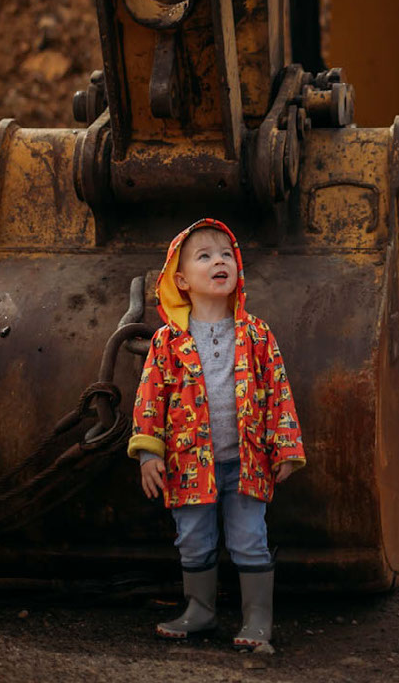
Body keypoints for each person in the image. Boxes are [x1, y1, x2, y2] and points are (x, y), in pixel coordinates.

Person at [128, 217, 305, 652]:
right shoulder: (169, 341)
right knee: (193, 538)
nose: (219, 261)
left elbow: (278, 391)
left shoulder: (257, 334)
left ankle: (257, 619)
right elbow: (150, 395)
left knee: (249, 538)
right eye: (204, 256)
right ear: (182, 279)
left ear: (237, 268)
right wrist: (149, 453)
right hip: (188, 465)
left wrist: (285, 447)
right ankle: (200, 611)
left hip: (247, 461)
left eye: (226, 253)